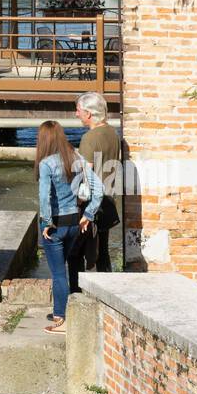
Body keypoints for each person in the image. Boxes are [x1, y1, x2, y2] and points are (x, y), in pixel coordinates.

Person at [35, 120, 103, 333]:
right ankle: (70, 311)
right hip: (76, 222)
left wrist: (46, 222)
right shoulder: (77, 157)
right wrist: (89, 214)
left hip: (56, 225)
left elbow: (44, 196)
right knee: (72, 264)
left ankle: (62, 319)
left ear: (44, 140)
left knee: (58, 273)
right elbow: (98, 190)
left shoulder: (46, 163)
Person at [75, 92, 121, 275]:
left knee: (80, 252)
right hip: (109, 200)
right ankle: (108, 287)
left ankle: (81, 291)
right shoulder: (113, 133)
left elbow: (85, 176)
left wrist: (77, 203)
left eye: (78, 110)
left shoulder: (89, 138)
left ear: (88, 113)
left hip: (92, 203)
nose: (76, 114)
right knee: (102, 251)